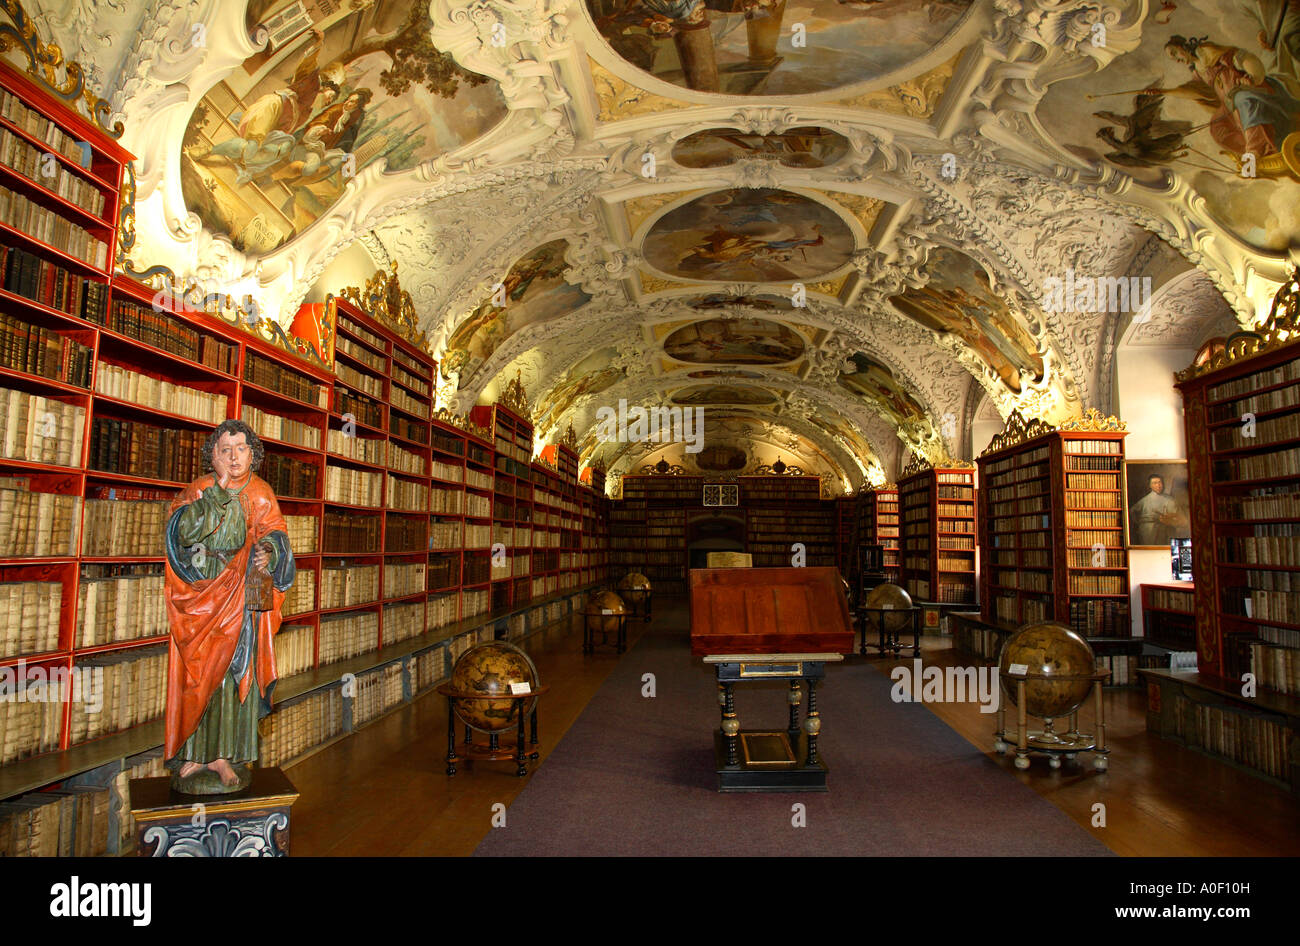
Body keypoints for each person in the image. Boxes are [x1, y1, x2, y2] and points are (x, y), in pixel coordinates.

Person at [163, 420, 296, 793]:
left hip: (243, 597)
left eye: (241, 449)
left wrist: (269, 550)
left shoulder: (262, 492)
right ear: (213, 455)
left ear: (253, 453)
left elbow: (277, 536)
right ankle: (191, 753)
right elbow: (181, 534)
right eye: (226, 450)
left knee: (234, 675)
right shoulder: (200, 489)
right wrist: (216, 493)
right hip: (202, 598)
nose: (234, 457)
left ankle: (224, 756)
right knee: (198, 674)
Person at [1129, 473, 1188, 547]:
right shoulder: (1144, 500)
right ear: (1150, 486)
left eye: (1160, 482)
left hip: (1164, 531)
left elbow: (1182, 520)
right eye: (1155, 483)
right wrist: (1137, 523)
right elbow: (1132, 511)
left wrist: (1170, 520)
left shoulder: (1170, 500)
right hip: (1147, 532)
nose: (1158, 485)